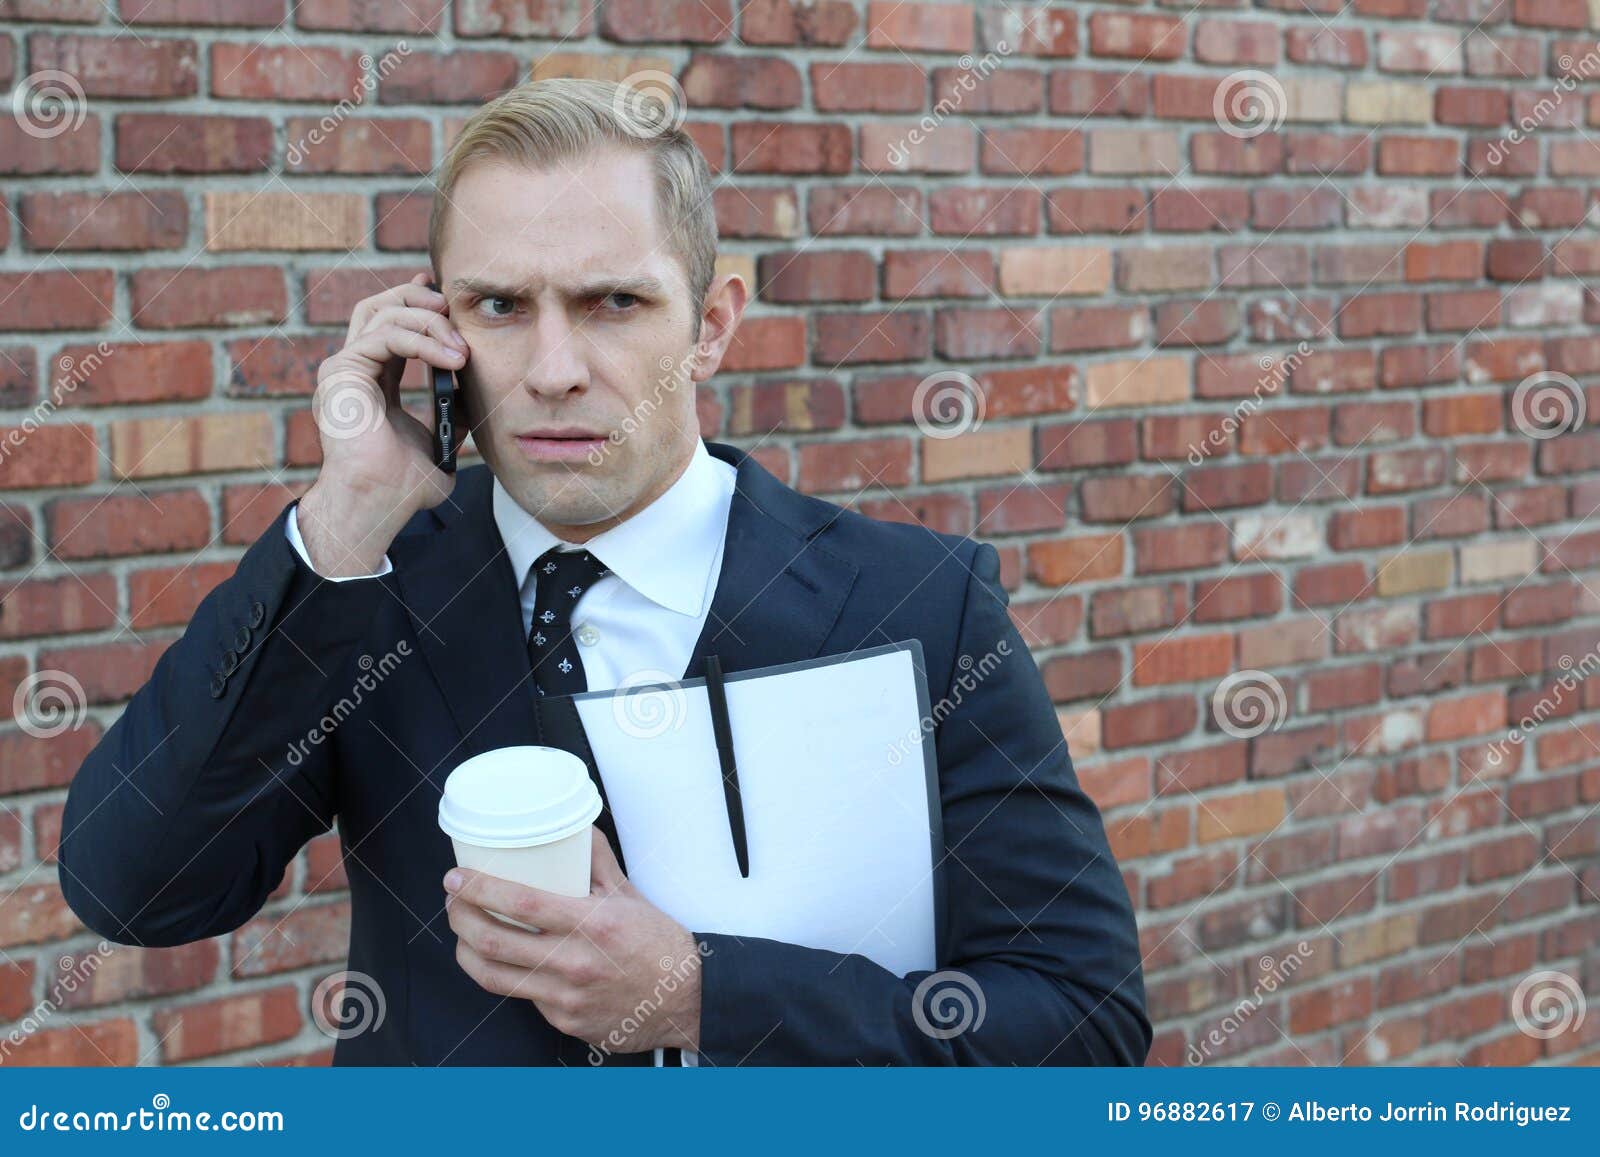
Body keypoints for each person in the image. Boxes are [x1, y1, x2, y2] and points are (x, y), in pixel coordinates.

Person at [59, 78, 1149, 1066]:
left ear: (710, 326)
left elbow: (1082, 1025)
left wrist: (703, 996)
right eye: (499, 306)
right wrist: (346, 516)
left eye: (612, 303)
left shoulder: (924, 606)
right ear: (434, 330)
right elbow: (136, 888)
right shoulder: (369, 584)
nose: (553, 370)